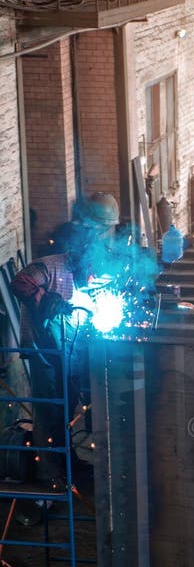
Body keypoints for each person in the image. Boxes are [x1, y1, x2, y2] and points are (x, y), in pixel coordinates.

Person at [11, 192, 120, 500]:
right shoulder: (50, 266)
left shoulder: (91, 274)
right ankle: (49, 473)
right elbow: (19, 283)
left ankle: (66, 461)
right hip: (45, 353)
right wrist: (48, 300)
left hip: (70, 354)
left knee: (69, 408)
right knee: (50, 410)